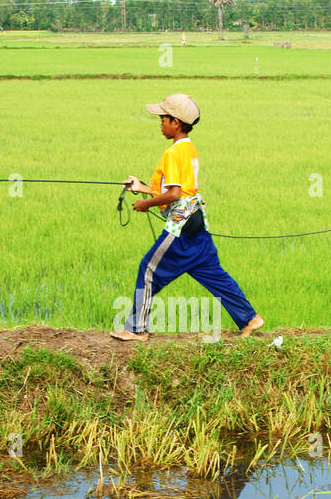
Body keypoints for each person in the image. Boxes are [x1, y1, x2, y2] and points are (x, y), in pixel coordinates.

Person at [112, 93, 263, 342]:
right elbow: (180, 190)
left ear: (176, 123)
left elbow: (173, 194)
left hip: (181, 224)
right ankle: (250, 318)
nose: (160, 123)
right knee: (212, 272)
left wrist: (145, 203)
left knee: (148, 269)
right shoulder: (189, 148)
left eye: (163, 119)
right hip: (196, 219)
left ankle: (136, 329)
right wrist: (141, 187)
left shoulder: (172, 153)